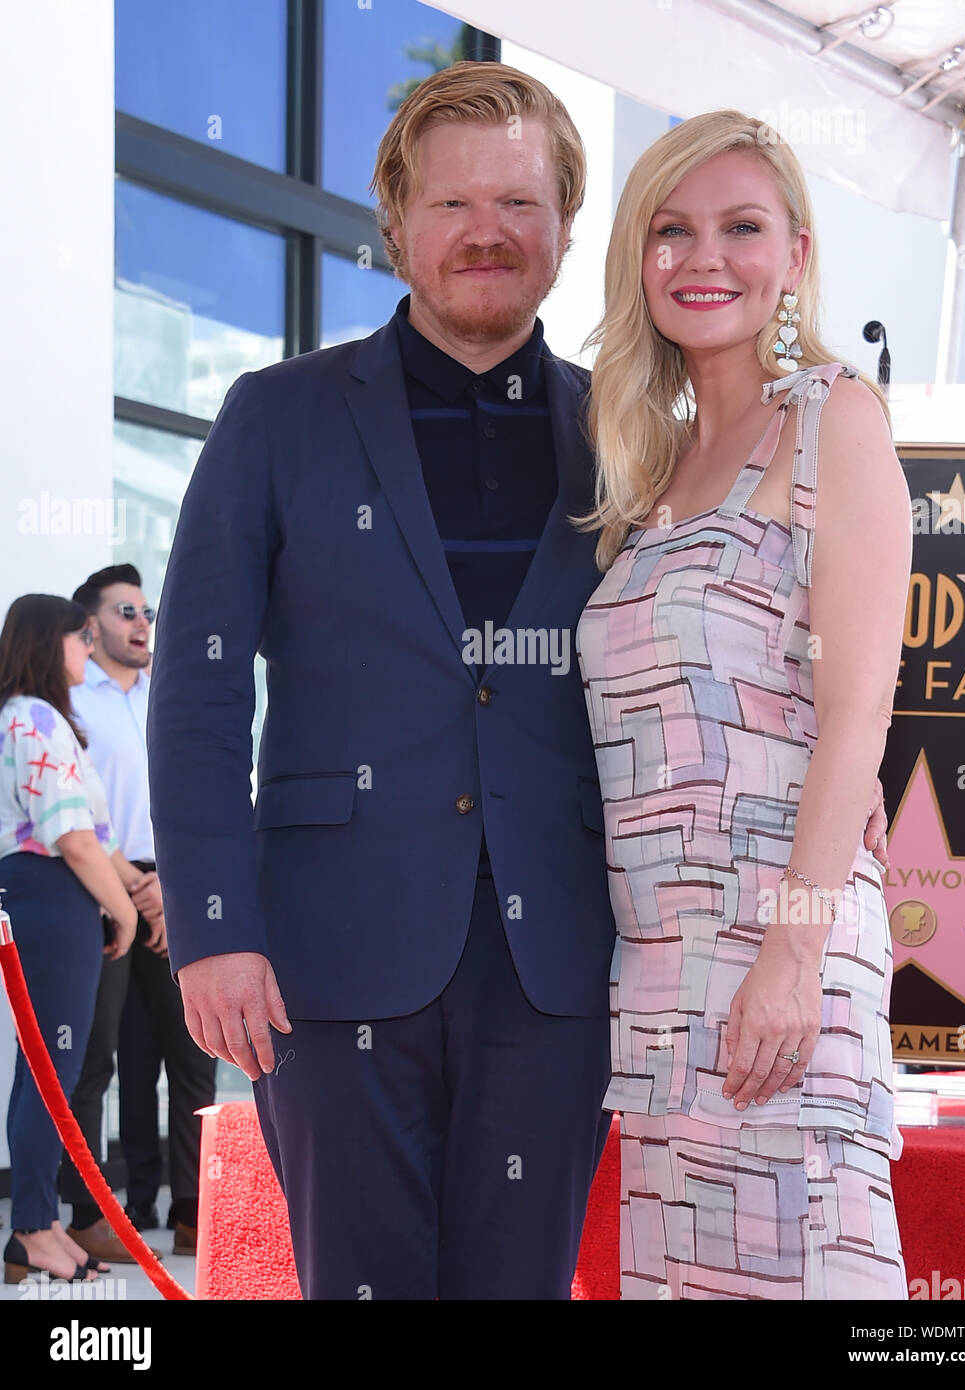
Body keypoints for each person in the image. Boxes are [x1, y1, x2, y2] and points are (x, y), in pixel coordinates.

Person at [146, 62, 889, 1300]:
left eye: (519, 205)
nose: (486, 232)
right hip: (335, 962)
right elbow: (200, 689)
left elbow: (771, 648)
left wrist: (836, 822)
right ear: (396, 228)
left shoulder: (631, 438)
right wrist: (214, 930)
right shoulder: (273, 417)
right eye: (451, 207)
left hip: (571, 964)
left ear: (562, 229)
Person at [574, 110, 912, 1300]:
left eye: (741, 227)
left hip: (783, 954)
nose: (702, 257)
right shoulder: (641, 470)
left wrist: (792, 951)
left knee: (807, 1271)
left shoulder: (834, 420)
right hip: (656, 975)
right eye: (671, 230)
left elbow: (859, 710)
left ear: (797, 257)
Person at [57, 564, 215, 1265]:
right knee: (99, 1061)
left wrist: (165, 889)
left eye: (146, 610)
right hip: (93, 887)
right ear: (89, 627)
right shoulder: (66, 701)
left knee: (191, 1056)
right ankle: (91, 1212)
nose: (142, 622)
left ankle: (192, 1211)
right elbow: (77, 814)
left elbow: (201, 790)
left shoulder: (169, 695)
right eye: (126, 611)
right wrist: (131, 893)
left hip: (173, 884)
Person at [0, 595, 138, 1284]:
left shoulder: (40, 720)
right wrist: (130, 912)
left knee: (46, 1069)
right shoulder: (35, 717)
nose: (88, 648)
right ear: (47, 643)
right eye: (80, 637)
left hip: (50, 897)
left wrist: (128, 893)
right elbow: (72, 839)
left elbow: (96, 838)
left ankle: (41, 1222)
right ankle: (31, 1227)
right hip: (50, 898)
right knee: (50, 1071)